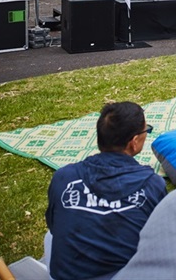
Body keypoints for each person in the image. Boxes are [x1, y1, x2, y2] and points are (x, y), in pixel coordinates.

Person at [46, 102, 166, 280]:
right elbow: (162, 243)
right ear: (134, 142)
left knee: (49, 238)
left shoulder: (63, 177)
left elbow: (55, 226)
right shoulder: (152, 185)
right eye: (145, 131)